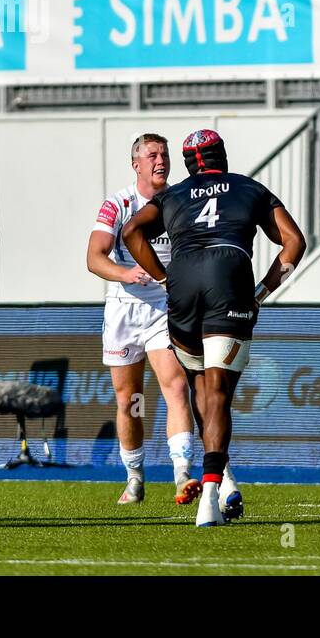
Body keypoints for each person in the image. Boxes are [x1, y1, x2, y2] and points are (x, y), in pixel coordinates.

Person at [121, 129, 305, 528]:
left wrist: (163, 277)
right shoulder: (250, 188)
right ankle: (209, 496)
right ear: (222, 154)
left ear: (188, 163)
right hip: (229, 281)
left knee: (201, 391)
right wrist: (262, 291)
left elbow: (131, 232)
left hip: (183, 287)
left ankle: (221, 483)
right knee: (218, 394)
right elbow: (294, 241)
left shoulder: (172, 195)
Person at [88, 132, 220, 509]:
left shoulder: (178, 199)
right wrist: (126, 273)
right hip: (124, 309)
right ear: (136, 164)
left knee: (175, 386)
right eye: (151, 155)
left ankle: (183, 473)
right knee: (131, 400)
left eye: (163, 154)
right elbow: (94, 257)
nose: (160, 160)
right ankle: (134, 478)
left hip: (165, 307)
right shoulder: (118, 204)